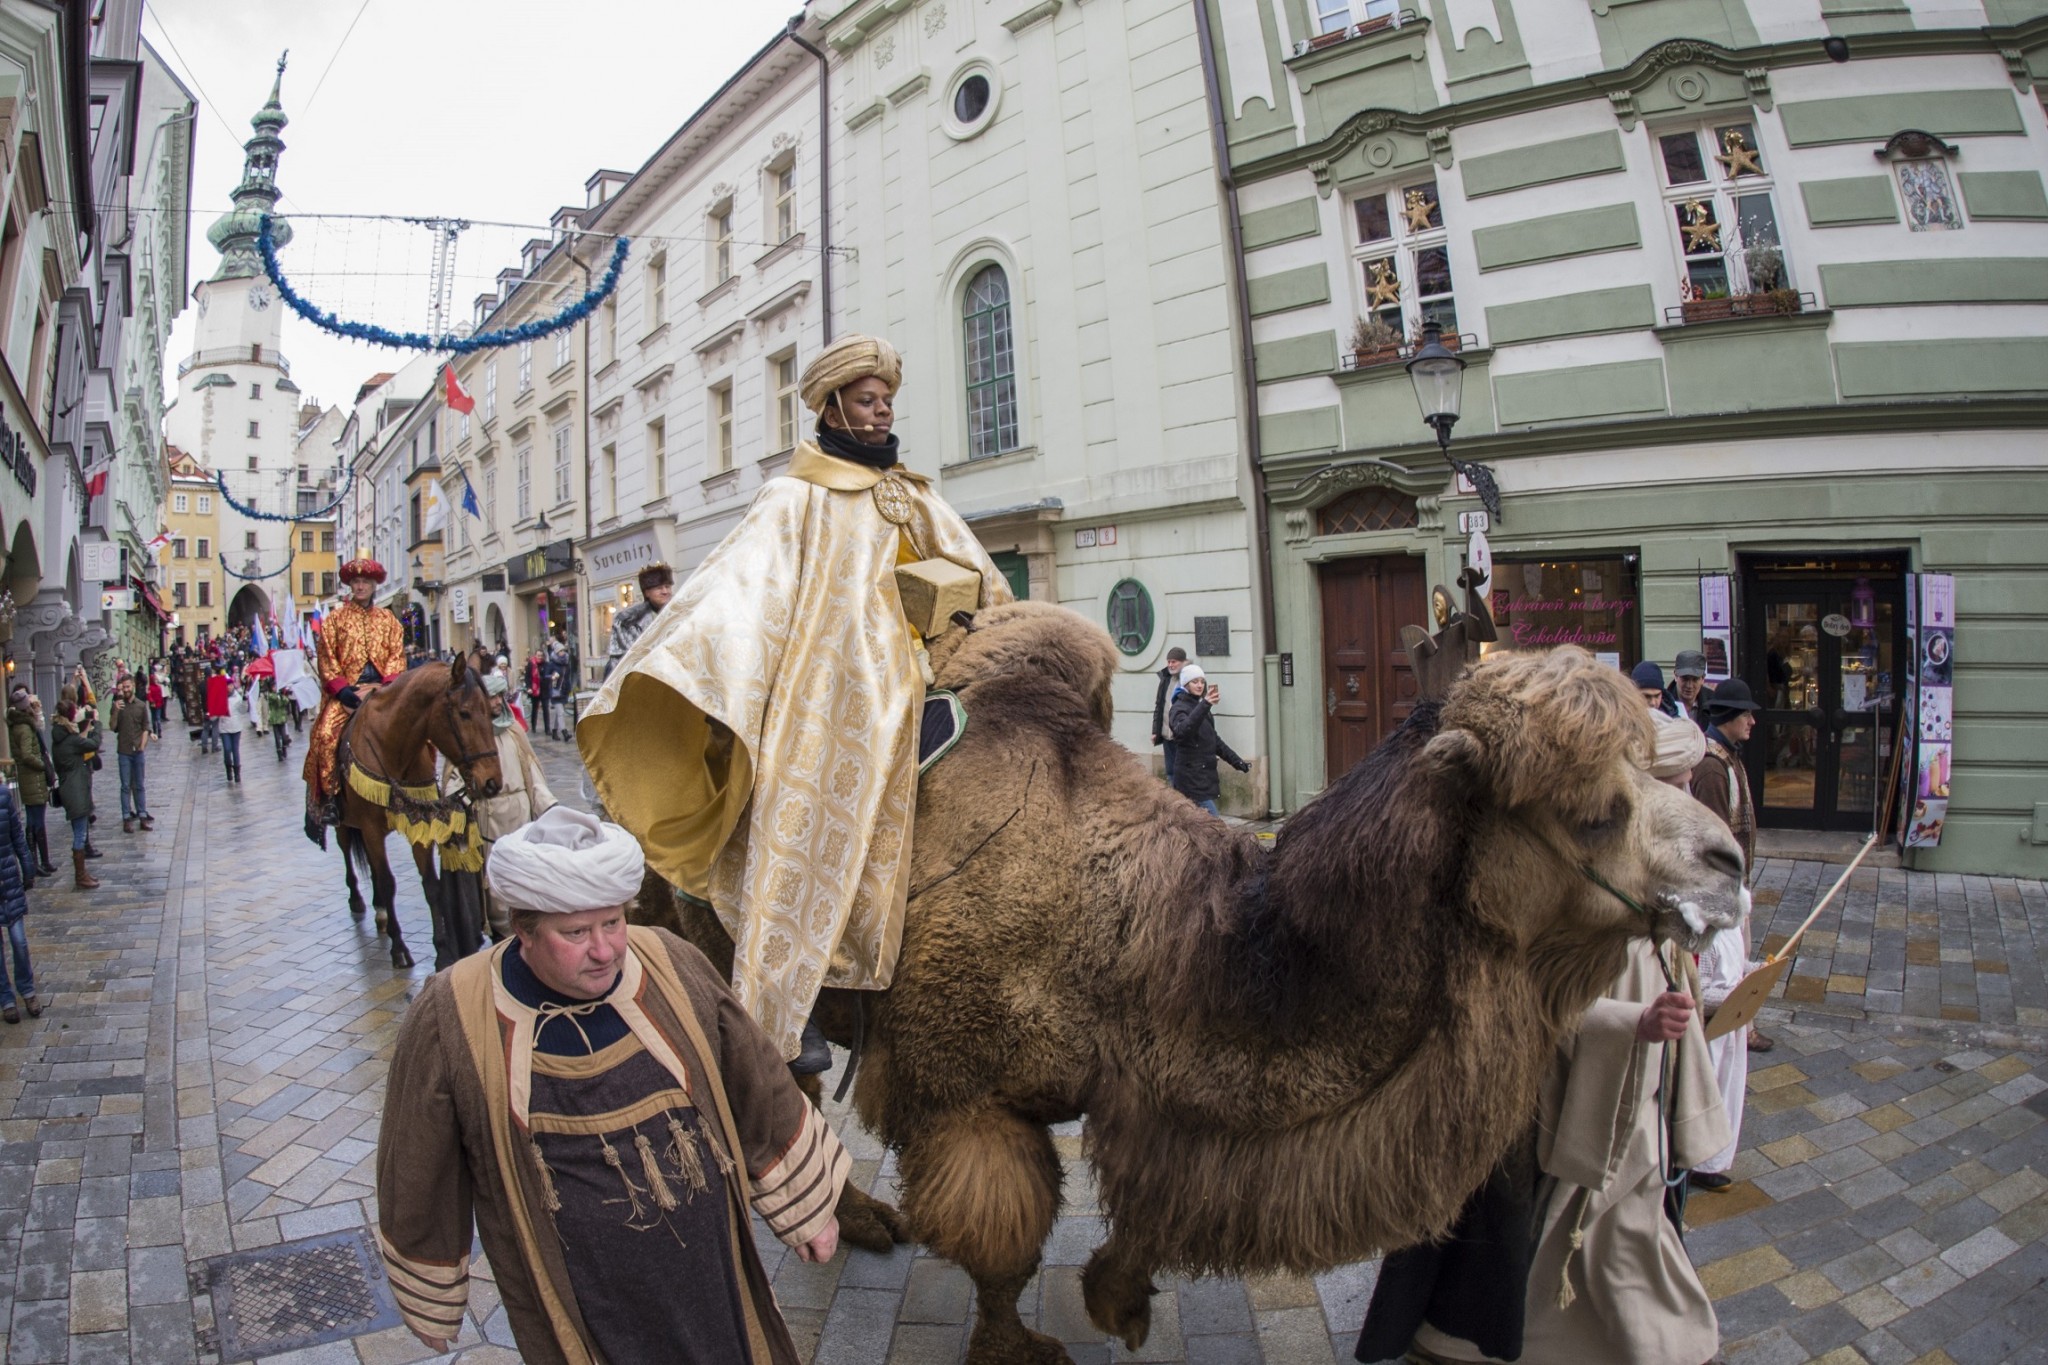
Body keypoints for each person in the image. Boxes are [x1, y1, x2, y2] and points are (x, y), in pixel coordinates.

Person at [580, 334, 1011, 1068]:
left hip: (927, 668)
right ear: (833, 404)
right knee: (806, 789)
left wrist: (989, 625)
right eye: (868, 402)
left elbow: (979, 576)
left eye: (887, 403)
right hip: (833, 683)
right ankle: (787, 999)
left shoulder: (913, 494)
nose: (880, 414)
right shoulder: (792, 496)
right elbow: (740, 592)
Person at [376, 807, 848, 1363]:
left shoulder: (672, 963)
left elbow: (756, 1078)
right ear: (522, 931)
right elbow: (416, 1154)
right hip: (578, 1302)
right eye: (575, 933)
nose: (605, 950)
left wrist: (808, 1208)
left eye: (613, 923)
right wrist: (431, 1282)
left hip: (710, 1279)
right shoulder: (452, 1013)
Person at [437, 671, 555, 951]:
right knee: (494, 889)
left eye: (500, 696)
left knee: (524, 881)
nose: (497, 702)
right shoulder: (470, 738)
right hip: (488, 819)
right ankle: (501, 939)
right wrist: (462, 802)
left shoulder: (514, 732)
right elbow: (453, 782)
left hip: (520, 817)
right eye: (491, 697)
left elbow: (533, 776)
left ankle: (525, 936)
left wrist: (550, 808)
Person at [1690, 676, 1771, 1056]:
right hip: (1723, 889)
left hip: (1736, 884)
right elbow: (1714, 836)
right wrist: (1727, 895)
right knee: (1727, 963)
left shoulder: (1728, 756)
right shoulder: (1710, 767)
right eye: (1746, 715)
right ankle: (1731, 1026)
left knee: (1740, 958)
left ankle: (1744, 1025)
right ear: (1729, 718)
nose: (1752, 722)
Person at [303, 560, 406, 844]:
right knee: (324, 735)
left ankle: (414, 793)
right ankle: (330, 799)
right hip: (347, 692)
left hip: (382, 690)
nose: (361, 586)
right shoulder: (335, 620)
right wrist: (341, 689)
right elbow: (326, 658)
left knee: (417, 732)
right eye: (356, 582)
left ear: (374, 586)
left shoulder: (389, 621)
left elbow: (397, 656)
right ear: (350, 586)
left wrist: (389, 685)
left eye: (366, 582)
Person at [1167, 674, 1248, 816]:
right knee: (1214, 825)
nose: (1200, 685)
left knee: (1199, 826)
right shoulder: (1179, 708)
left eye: (1202, 682)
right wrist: (1205, 704)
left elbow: (1215, 741)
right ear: (1186, 685)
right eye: (1195, 682)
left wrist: (1238, 762)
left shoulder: (1200, 706)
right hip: (1190, 780)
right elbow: (1182, 732)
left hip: (1202, 778)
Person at [0, 777, 39, 1024]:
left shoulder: (3, 795)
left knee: (19, 941)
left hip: (8, 880)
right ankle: (6, 998)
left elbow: (17, 836)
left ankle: (27, 990)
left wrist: (28, 868)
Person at [51, 700, 100, 890]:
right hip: (75, 790)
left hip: (69, 788)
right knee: (80, 834)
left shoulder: (59, 737)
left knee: (80, 831)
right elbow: (93, 743)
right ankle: (80, 876)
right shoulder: (70, 740)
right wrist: (97, 723)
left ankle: (82, 873)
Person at [9, 690, 57, 876]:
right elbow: (28, 755)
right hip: (32, 778)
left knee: (35, 819)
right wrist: (42, 766)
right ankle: (35, 862)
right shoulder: (24, 728)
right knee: (35, 820)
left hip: (30, 777)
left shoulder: (21, 725)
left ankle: (39, 861)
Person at [605, 564, 676, 678]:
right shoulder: (628, 620)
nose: (665, 591)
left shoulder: (679, 615)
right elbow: (623, 660)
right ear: (647, 592)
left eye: (667, 587)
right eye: (659, 588)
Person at [111, 676, 154, 833]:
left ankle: (142, 816)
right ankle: (126, 817)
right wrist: (115, 710)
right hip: (123, 751)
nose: (126, 690)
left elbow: (146, 727)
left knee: (140, 785)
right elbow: (112, 727)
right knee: (125, 786)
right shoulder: (118, 706)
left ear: (133, 686)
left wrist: (142, 745)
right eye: (123, 688)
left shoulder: (141, 706)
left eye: (128, 687)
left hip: (138, 752)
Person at [1151, 646, 1188, 781]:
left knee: (1183, 772)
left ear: (1183, 662)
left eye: (1174, 662)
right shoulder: (1165, 679)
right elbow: (1159, 706)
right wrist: (1156, 731)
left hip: (1182, 735)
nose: (1170, 665)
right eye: (1169, 662)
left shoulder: (1189, 679)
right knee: (1170, 772)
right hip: (1167, 735)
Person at [1667, 650, 1715, 728]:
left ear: (1703, 679)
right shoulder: (1664, 703)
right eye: (1685, 679)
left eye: (1695, 679)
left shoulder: (1713, 704)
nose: (1689, 685)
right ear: (1676, 676)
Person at [219, 679, 249, 785]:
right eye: (227, 685)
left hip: (236, 727)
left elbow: (243, 711)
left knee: (235, 750)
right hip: (224, 727)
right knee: (227, 749)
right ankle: (228, 768)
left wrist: (245, 701)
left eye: (231, 685)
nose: (229, 687)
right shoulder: (220, 697)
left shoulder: (237, 697)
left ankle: (237, 773)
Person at [202, 665, 229, 755]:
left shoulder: (201, 684)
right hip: (213, 708)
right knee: (215, 727)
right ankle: (214, 746)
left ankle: (204, 747)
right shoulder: (213, 682)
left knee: (205, 728)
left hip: (205, 709)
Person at [264, 681, 292, 761]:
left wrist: (283, 694)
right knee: (277, 737)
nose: (275, 688)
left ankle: (284, 749)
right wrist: (279, 696)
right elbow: (276, 701)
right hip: (275, 719)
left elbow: (286, 701)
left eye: (276, 686)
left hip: (282, 718)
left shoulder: (281, 695)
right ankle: (279, 753)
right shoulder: (270, 695)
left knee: (283, 736)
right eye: (273, 687)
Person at [145, 670, 166, 737]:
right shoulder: (153, 687)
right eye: (155, 679)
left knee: (155, 718)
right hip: (155, 704)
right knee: (156, 718)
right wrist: (153, 701)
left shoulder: (156, 687)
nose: (156, 680)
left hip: (156, 704)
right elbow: (149, 696)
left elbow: (159, 696)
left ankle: (157, 731)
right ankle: (157, 730)